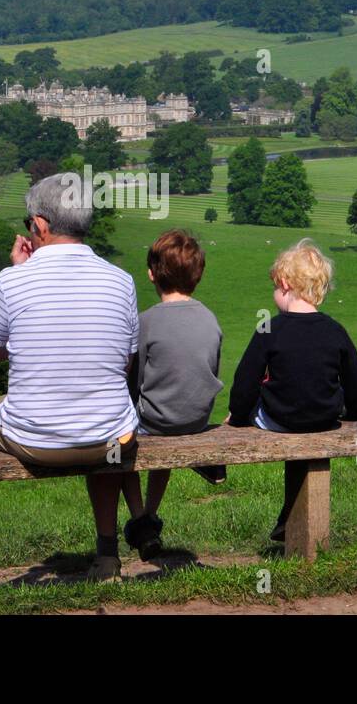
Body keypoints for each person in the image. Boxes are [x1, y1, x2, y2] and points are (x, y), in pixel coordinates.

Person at [0, 173, 139, 583]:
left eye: (29, 226)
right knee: (105, 421)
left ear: (40, 226)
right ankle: (107, 556)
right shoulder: (121, 281)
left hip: (34, 438)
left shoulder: (12, 281)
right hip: (109, 439)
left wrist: (18, 270)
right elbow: (123, 364)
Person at [227, 238, 357, 543]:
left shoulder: (270, 328)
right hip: (323, 418)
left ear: (284, 284)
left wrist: (238, 417)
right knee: (301, 423)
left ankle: (289, 518)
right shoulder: (335, 330)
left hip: (280, 421)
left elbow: (245, 381)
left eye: (275, 289)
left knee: (266, 409)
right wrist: (352, 412)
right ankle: (289, 517)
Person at [120, 229, 224, 560]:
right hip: (195, 419)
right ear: (198, 274)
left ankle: (139, 518)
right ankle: (151, 512)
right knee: (161, 420)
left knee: (120, 438)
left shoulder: (146, 321)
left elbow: (132, 381)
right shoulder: (210, 319)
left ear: (152, 273)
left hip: (156, 421)